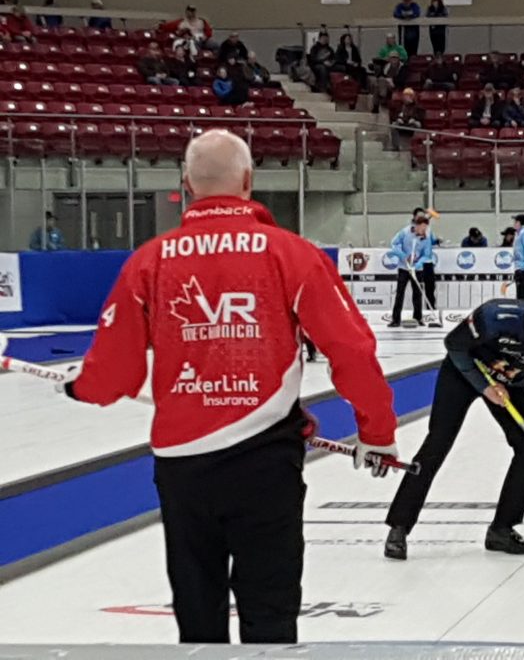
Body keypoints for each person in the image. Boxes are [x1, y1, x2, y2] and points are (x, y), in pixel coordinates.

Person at [58, 130, 398, 644]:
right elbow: (351, 351)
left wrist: (79, 389)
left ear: (187, 185)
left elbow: (113, 377)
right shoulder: (292, 253)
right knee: (269, 610)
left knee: (198, 614)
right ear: (248, 181)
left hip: (183, 467)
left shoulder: (150, 261)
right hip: (266, 465)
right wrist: (377, 431)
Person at [384, 295, 524, 559]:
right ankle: (399, 526)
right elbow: (454, 344)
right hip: (465, 372)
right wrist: (485, 388)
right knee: (438, 441)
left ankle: (502, 530)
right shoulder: (499, 315)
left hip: (511, 383)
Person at [388, 214, 431, 328]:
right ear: (416, 225)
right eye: (422, 227)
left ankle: (418, 318)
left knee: (417, 294)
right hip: (403, 268)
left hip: (417, 269)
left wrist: (417, 264)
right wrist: (403, 256)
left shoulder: (426, 237)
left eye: (425, 228)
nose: (423, 230)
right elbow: (394, 244)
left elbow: (426, 255)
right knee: (400, 293)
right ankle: (395, 319)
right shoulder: (404, 232)